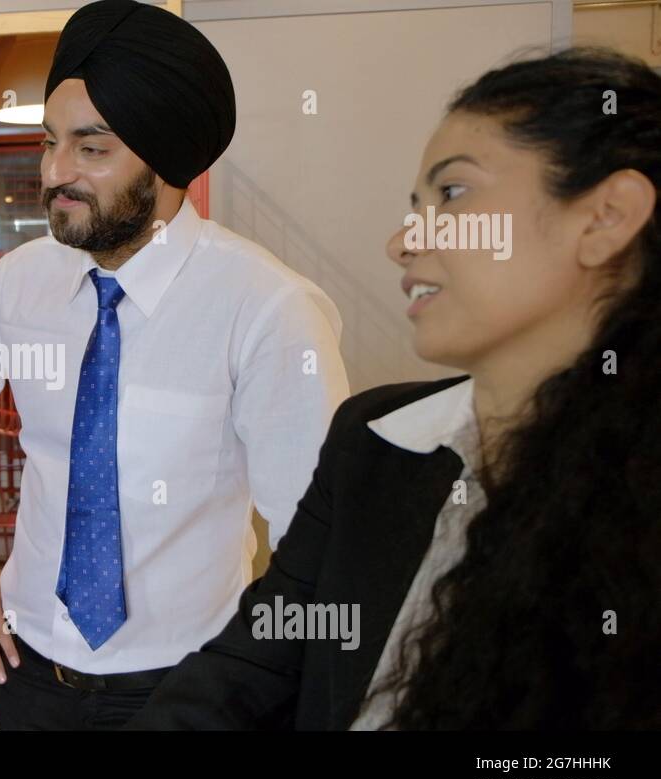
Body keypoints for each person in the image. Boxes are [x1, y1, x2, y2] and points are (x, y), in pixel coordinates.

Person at [130, 48, 661, 730]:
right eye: (416, 205)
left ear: (605, 217)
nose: (403, 241)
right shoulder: (373, 440)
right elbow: (261, 659)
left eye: (455, 194)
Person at [0, 0, 348, 730]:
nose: (54, 172)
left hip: (191, 687)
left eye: (91, 148)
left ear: (166, 162)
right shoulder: (22, 282)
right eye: (49, 142)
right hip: (26, 673)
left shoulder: (266, 308)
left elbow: (315, 533)